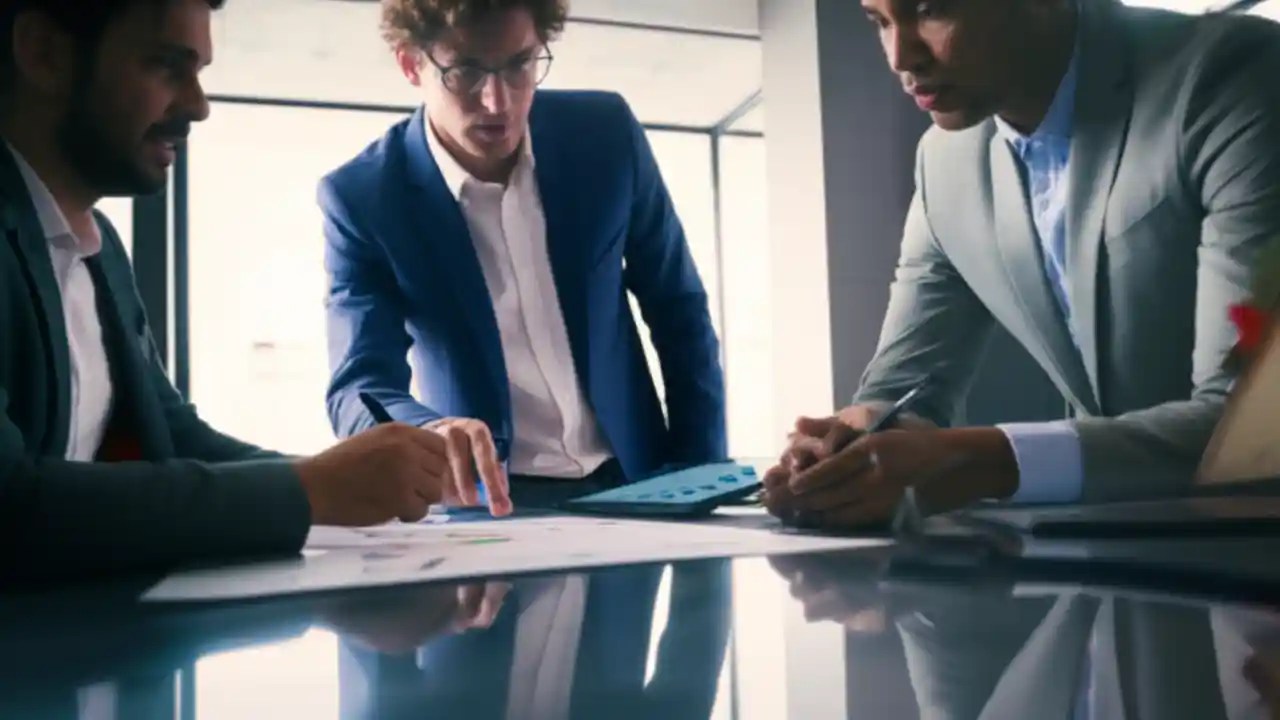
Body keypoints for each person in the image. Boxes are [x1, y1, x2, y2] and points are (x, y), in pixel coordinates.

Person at [0, 0, 510, 582]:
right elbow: (10, 503)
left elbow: (175, 438)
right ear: (43, 53)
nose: (197, 105)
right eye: (167, 65)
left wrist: (340, 482)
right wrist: (311, 489)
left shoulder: (96, 246)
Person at [765, 0, 1280, 530]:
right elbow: (901, 388)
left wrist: (981, 462)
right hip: (1116, 559)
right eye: (880, 21)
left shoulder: (1235, 73)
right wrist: (853, 441)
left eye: (932, 9)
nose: (901, 56)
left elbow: (1251, 429)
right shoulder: (945, 160)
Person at [320, 0, 726, 507]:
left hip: (638, 478)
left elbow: (678, 306)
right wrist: (432, 431)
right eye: (464, 71)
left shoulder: (605, 135)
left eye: (520, 64)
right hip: (490, 500)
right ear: (410, 64)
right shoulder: (363, 198)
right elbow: (359, 387)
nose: (498, 101)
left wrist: (702, 475)